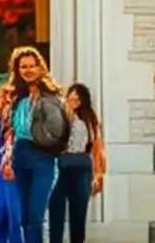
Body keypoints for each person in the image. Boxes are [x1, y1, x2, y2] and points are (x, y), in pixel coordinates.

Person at [0, 47, 66, 243]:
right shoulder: (14, 97)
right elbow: (8, 132)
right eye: (22, 67)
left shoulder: (51, 95)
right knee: (24, 218)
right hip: (20, 153)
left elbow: (59, 128)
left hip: (43, 155)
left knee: (36, 217)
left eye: (31, 66)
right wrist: (7, 159)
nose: (27, 70)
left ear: (40, 68)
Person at [48, 83, 106, 243]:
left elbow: (97, 148)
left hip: (82, 164)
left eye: (77, 99)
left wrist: (98, 174)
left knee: (79, 211)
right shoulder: (61, 116)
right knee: (55, 206)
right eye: (71, 98)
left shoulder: (90, 119)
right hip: (62, 164)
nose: (74, 102)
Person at [0, 101, 23, 243]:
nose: (7, 99)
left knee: (15, 216)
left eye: (11, 96)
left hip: (18, 171)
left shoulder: (22, 117)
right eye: (4, 95)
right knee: (1, 214)